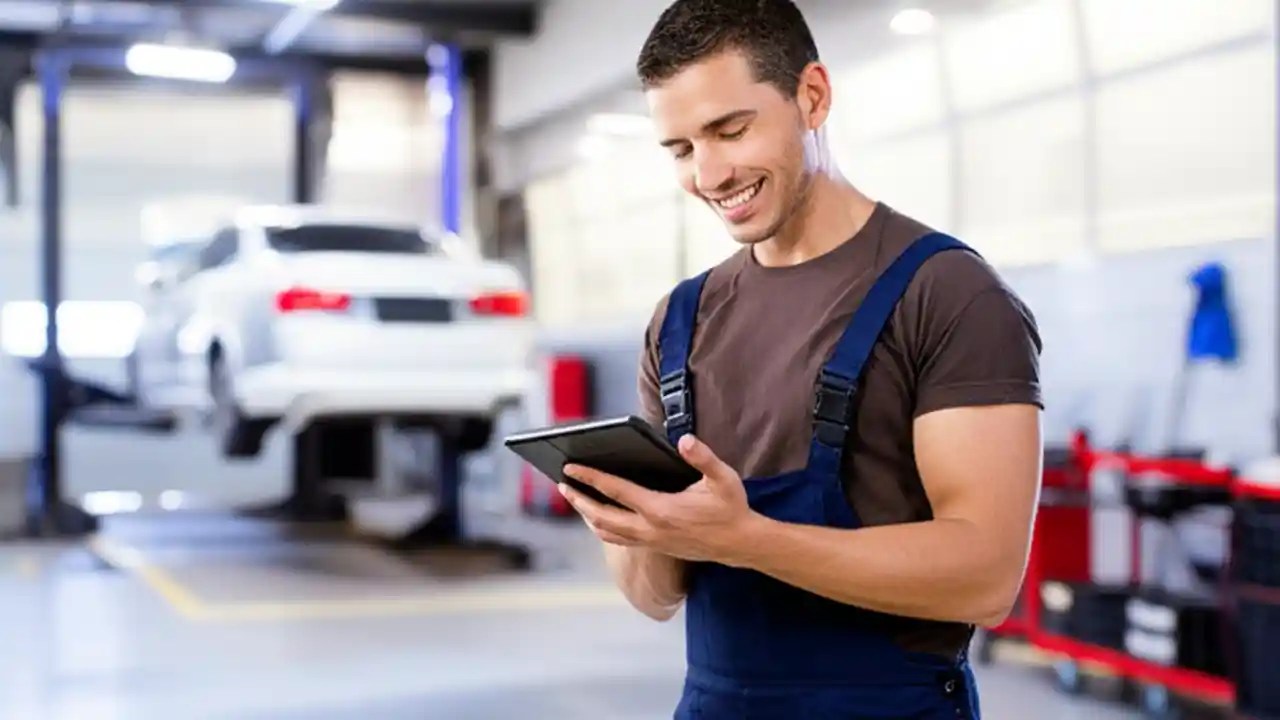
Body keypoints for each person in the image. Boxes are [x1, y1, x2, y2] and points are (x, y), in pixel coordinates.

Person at [555, 0, 1044, 717]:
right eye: (682, 150)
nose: (710, 174)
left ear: (812, 96)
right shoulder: (680, 322)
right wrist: (636, 529)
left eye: (730, 130)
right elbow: (655, 598)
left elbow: (986, 577)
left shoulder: (947, 294)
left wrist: (748, 539)